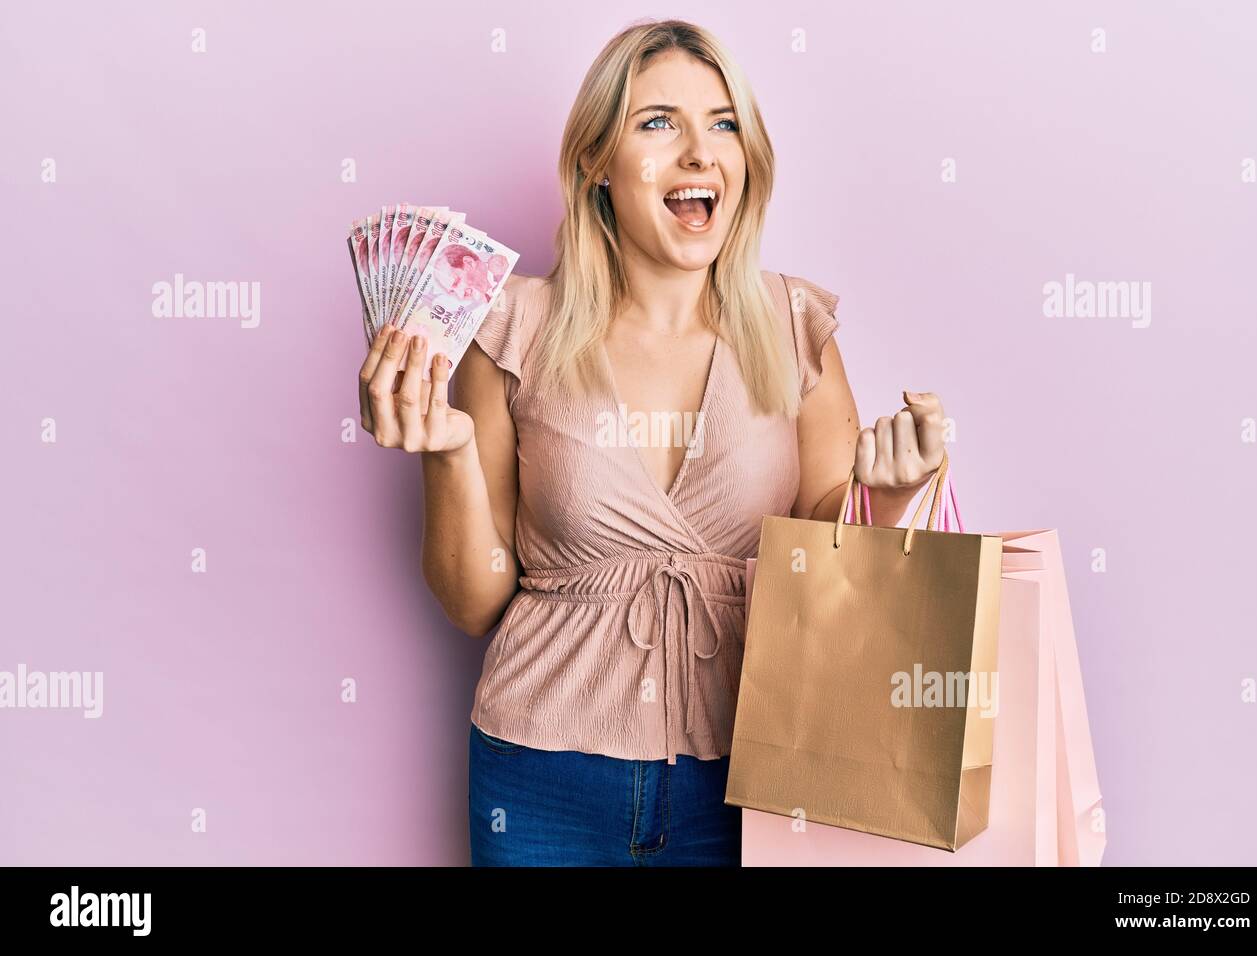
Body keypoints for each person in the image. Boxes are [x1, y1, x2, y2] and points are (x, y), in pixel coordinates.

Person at [356, 18, 948, 867]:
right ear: (597, 163)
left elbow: (833, 571)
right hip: (540, 779)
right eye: (658, 123)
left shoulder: (793, 327)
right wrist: (447, 455)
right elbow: (474, 603)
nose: (701, 152)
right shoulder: (511, 331)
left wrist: (888, 495)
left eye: (724, 123)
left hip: (756, 773)